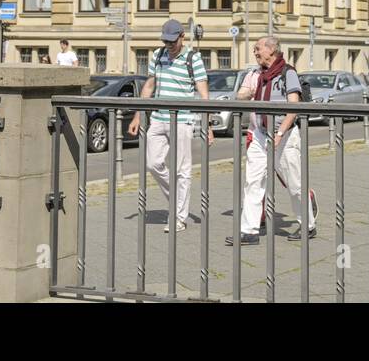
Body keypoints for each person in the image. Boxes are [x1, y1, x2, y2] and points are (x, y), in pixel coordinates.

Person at [227, 36, 317, 245]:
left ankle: (308, 225)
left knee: (294, 184)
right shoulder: (258, 74)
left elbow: (293, 107)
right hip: (259, 135)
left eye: (258, 49)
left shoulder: (288, 73)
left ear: (271, 50)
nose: (255, 52)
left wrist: (279, 134)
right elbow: (241, 96)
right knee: (253, 182)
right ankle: (249, 231)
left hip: (283, 136)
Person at [127, 19, 212, 234]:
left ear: (182, 37)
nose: (169, 45)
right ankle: (176, 199)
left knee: (182, 170)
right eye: (166, 41)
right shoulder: (158, 55)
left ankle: (179, 217)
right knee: (152, 163)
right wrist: (138, 115)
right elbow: (149, 85)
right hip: (158, 117)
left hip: (182, 119)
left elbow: (203, 93)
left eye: (172, 41)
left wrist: (207, 123)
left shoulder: (193, 58)